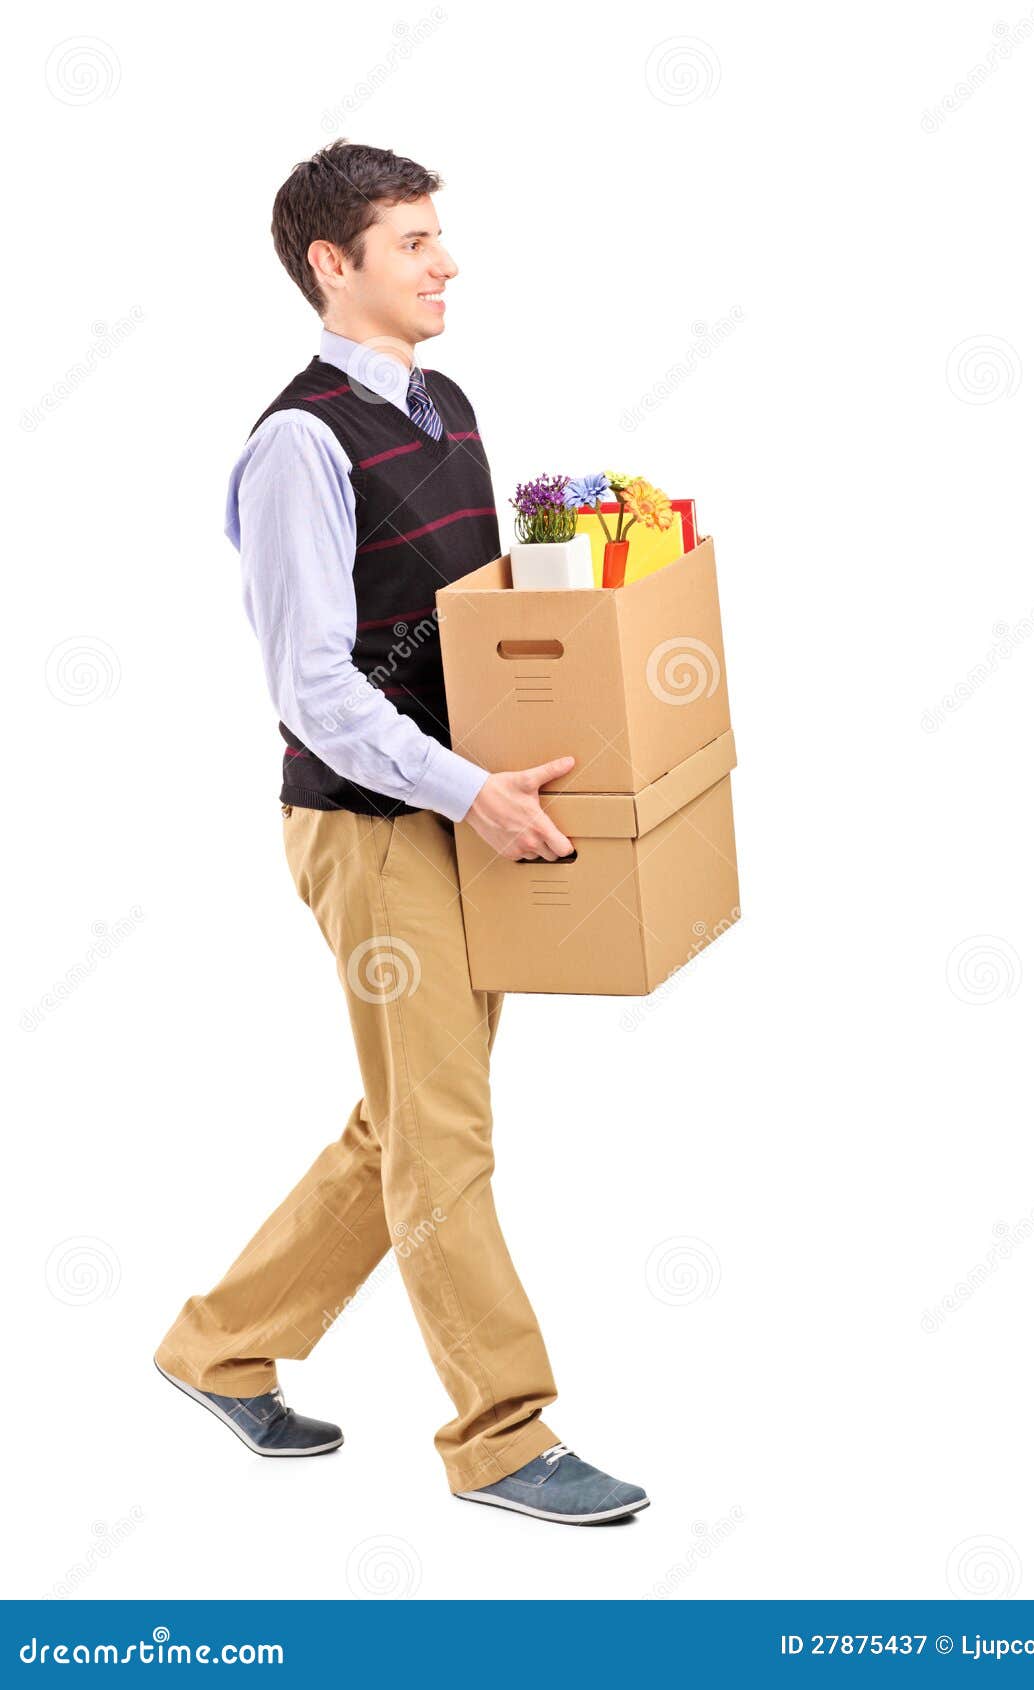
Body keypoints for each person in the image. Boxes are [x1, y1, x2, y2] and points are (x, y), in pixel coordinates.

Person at [154, 141, 649, 1526]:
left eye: (443, 238)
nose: (447, 264)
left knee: (400, 1124)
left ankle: (217, 1346)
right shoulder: (298, 445)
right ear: (334, 264)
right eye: (415, 242)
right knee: (444, 1132)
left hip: (458, 809)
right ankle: (500, 1433)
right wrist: (466, 791)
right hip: (374, 829)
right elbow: (312, 683)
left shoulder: (447, 405)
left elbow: (468, 620)